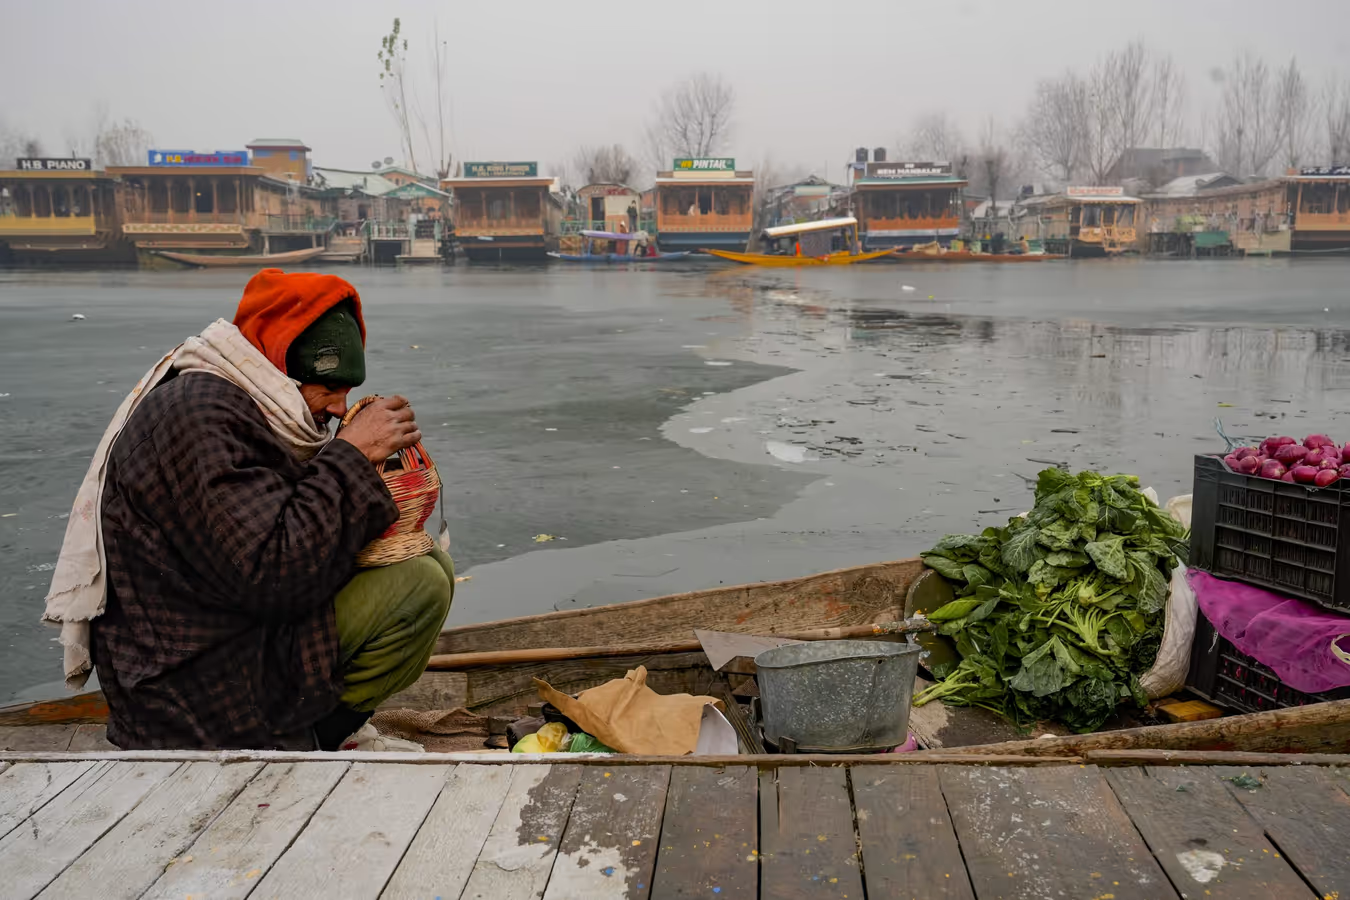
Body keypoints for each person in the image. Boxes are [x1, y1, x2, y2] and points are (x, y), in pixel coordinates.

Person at [43, 269, 454, 751]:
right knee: (418, 587)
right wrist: (351, 456)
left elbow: (279, 530)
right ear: (281, 367)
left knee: (432, 564)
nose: (342, 408)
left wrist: (358, 464)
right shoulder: (199, 416)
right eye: (330, 389)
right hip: (192, 689)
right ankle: (306, 741)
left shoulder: (242, 401)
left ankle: (315, 729)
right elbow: (273, 575)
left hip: (227, 636)